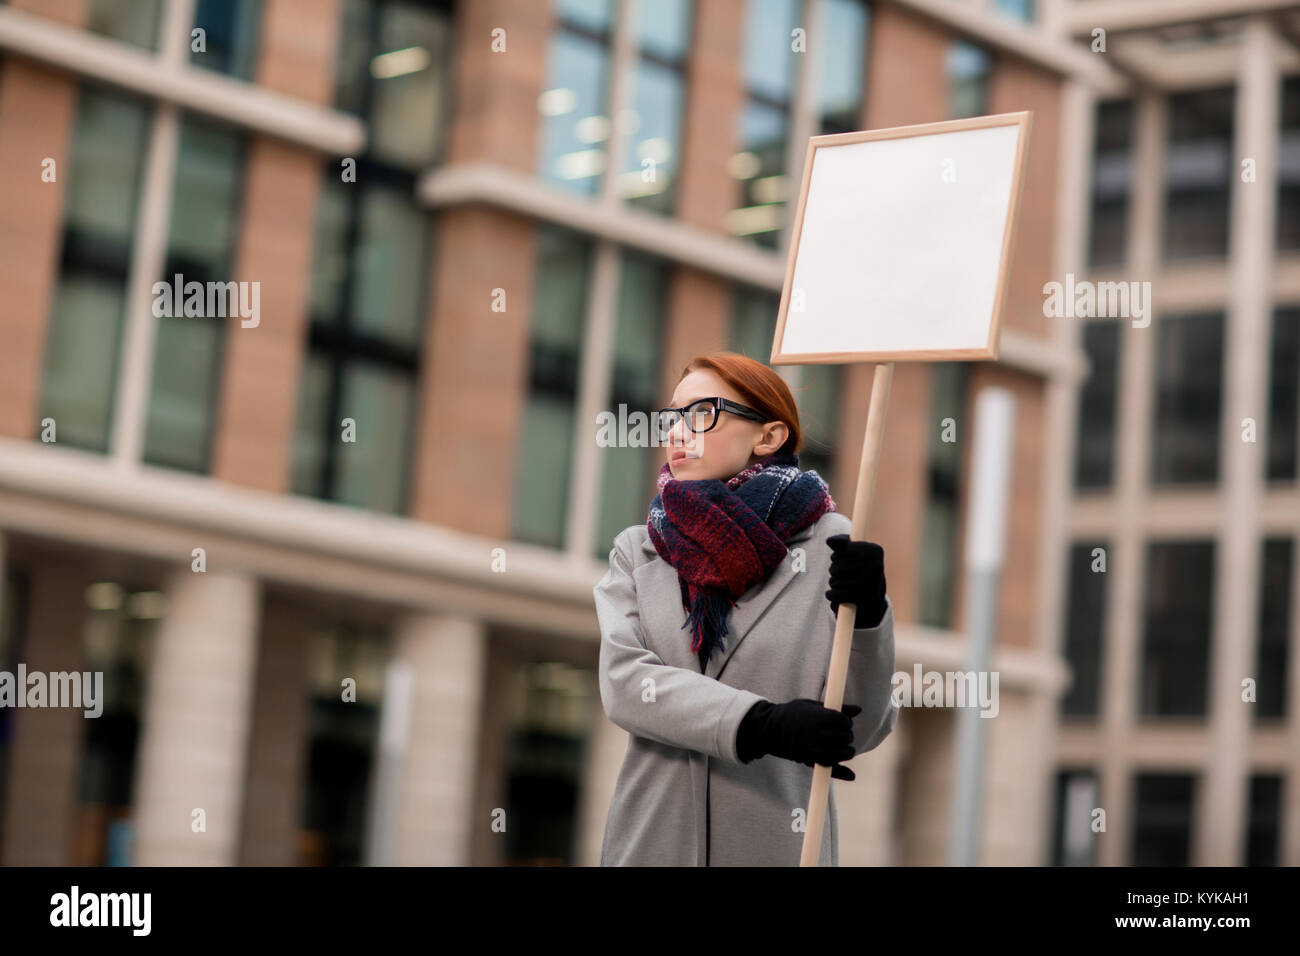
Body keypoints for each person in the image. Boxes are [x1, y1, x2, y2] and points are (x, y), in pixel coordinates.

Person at [594, 351, 899, 866]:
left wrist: (870, 617)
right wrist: (760, 723)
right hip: (650, 847)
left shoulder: (833, 547)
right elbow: (625, 685)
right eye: (672, 416)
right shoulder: (639, 549)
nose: (677, 432)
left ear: (769, 436)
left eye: (702, 413)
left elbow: (860, 727)